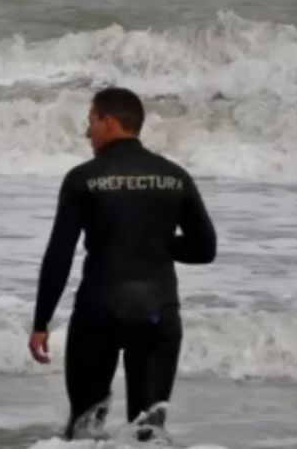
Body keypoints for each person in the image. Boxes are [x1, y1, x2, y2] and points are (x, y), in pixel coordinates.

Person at [29, 87, 216, 442]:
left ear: (108, 121)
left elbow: (60, 254)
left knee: (85, 428)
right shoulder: (175, 177)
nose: (87, 133)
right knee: (148, 432)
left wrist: (41, 322)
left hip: (98, 312)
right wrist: (156, 242)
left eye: (91, 122)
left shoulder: (83, 178)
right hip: (157, 313)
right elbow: (204, 249)